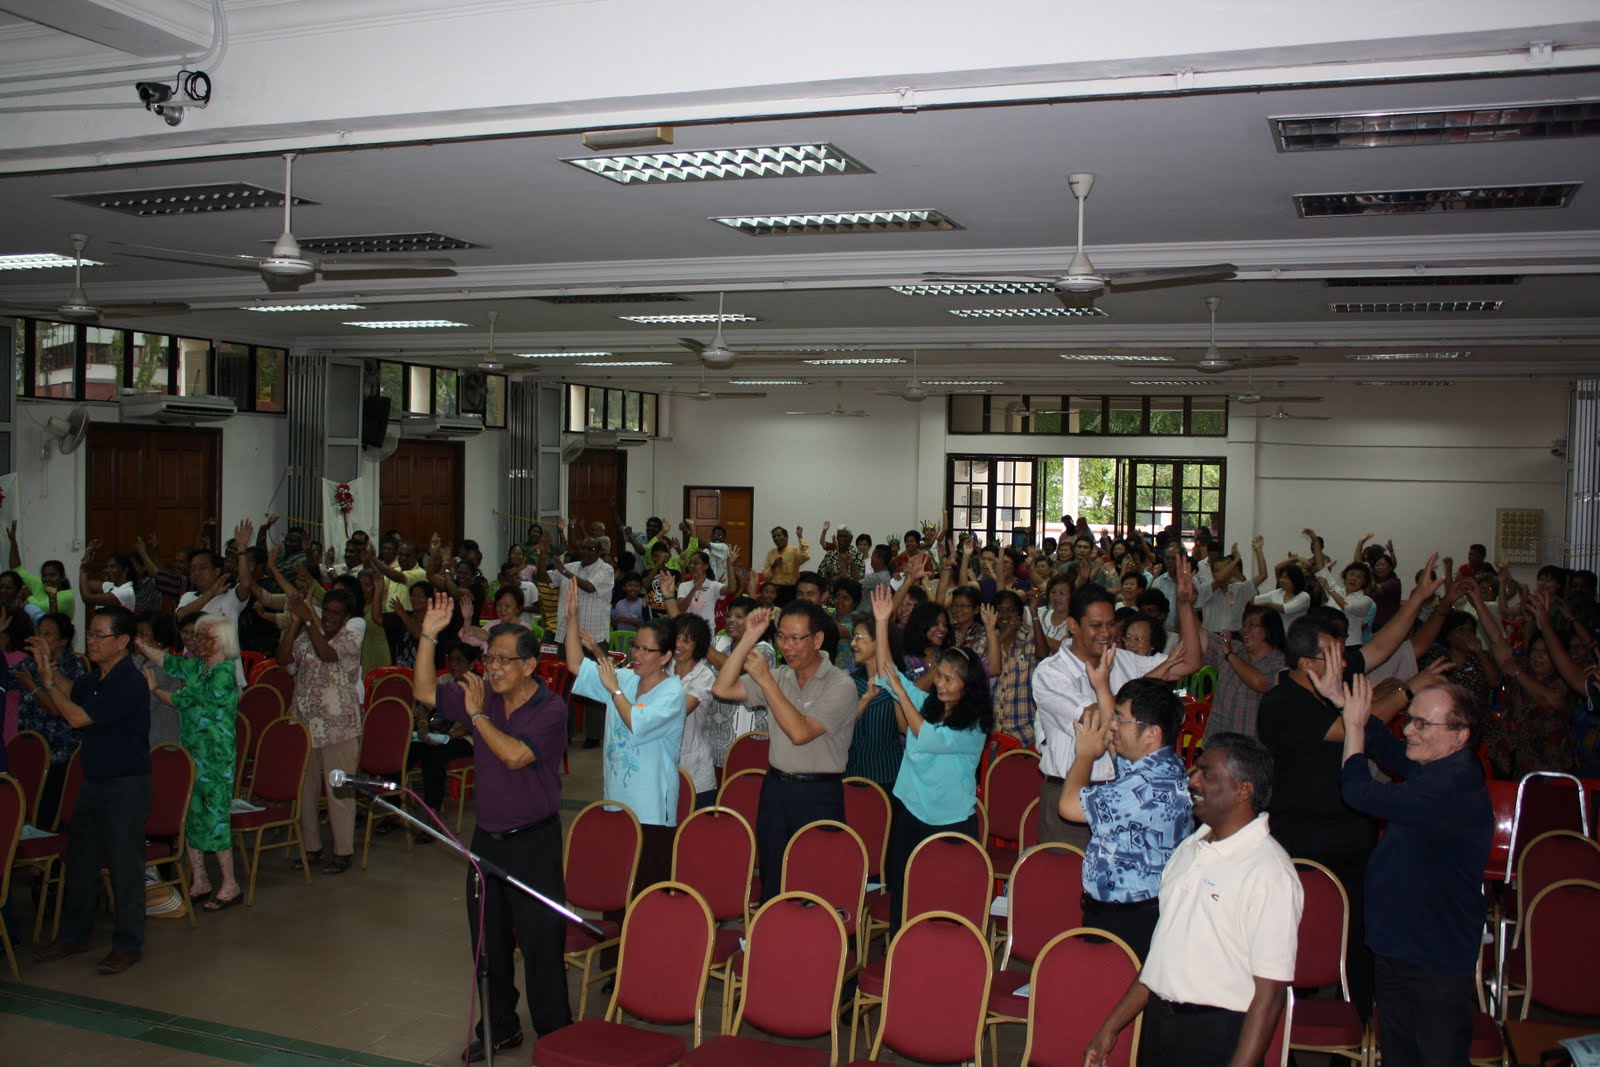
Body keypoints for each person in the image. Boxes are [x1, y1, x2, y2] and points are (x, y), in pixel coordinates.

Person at [414, 594, 572, 1060]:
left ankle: (556, 1032)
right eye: (489, 658)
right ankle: (499, 1026)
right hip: (488, 843)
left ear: (529, 666)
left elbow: (514, 755)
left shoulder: (550, 711)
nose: (492, 668)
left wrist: (477, 714)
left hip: (535, 842)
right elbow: (424, 690)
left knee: (542, 942)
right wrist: (428, 633)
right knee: (489, 943)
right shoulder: (483, 696)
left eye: (503, 660)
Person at [1085, 734, 1302, 1067]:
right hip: (1162, 1024)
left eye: (1207, 773)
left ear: (1244, 790)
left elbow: (1270, 996)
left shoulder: (1269, 872)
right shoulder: (1189, 849)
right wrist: (1111, 1027)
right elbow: (1161, 958)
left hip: (1218, 1033)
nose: (1192, 779)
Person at [1337, 676, 1492, 1067]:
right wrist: (1348, 704)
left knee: (1434, 1055)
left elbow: (1358, 792)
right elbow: (1393, 752)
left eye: (1423, 724)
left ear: (1460, 735)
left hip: (1432, 952)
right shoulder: (1444, 764)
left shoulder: (1450, 786)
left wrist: (1354, 728)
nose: (1408, 729)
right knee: (1400, 1052)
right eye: (1409, 719)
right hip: (1401, 941)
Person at [1031, 554, 1201, 847]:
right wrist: (1151, 680)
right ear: (1073, 625)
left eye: (1111, 625)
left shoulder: (1121, 659)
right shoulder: (1050, 673)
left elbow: (1191, 662)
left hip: (1122, 792)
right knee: (1063, 885)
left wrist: (1185, 607)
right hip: (1070, 796)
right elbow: (1102, 723)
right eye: (1096, 625)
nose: (1106, 633)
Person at [29, 606, 152, 975]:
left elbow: (77, 716)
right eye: (91, 634)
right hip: (95, 784)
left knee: (124, 866)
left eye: (100, 635)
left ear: (123, 642)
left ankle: (128, 945)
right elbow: (69, 694)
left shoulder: (128, 681)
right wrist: (47, 670)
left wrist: (50, 683)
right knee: (79, 862)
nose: (92, 641)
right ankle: (73, 935)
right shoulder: (97, 676)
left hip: (126, 786)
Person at [712, 598, 858, 901]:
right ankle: (771, 942)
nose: (787, 647)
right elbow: (722, 688)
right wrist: (750, 636)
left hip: (819, 795)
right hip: (776, 789)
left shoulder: (840, 684)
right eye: (781, 637)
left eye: (795, 638)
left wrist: (765, 680)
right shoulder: (780, 676)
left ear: (817, 639)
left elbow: (800, 732)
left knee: (815, 883)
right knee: (774, 878)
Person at [871, 584, 989, 934]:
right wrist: (882, 622)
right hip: (912, 814)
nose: (940, 683)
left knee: (946, 902)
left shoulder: (973, 727)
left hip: (951, 821)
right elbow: (887, 669)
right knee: (905, 896)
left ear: (967, 686)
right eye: (939, 675)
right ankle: (899, 959)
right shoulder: (928, 706)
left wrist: (903, 694)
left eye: (949, 679)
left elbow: (926, 735)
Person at [1056, 675, 1191, 961]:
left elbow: (1068, 806)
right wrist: (1102, 685)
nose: (1113, 726)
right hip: (1136, 909)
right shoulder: (1165, 764)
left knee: (1111, 997)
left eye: (1121, 720)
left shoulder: (1146, 789)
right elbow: (1118, 746)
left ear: (1152, 733)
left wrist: (1084, 756)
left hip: (1127, 918)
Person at [563, 593, 684, 889]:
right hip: (616, 803)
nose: (638, 654)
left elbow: (636, 724)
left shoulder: (673, 692)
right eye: (636, 647)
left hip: (651, 810)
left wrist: (615, 691)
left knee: (646, 888)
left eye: (647, 649)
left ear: (666, 657)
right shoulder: (627, 679)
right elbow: (576, 666)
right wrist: (572, 619)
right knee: (615, 885)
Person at [137, 615, 242, 910]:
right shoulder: (197, 666)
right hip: (193, 753)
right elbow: (168, 661)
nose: (196, 642)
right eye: (195, 636)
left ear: (220, 640)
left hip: (216, 757)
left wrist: (156, 690)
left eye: (203, 636)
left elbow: (183, 699)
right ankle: (200, 879)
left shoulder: (222, 672)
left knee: (215, 816)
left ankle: (230, 883)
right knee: (192, 814)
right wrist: (138, 642)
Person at [279, 587, 364, 875]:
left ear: (346, 617)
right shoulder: (306, 635)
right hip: (304, 722)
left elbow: (327, 655)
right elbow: (283, 660)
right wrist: (294, 623)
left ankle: (342, 851)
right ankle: (312, 848)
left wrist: (308, 621)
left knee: (338, 789)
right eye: (326, 610)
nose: (328, 617)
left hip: (338, 725)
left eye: (335, 613)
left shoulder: (350, 638)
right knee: (306, 789)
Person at [12, 611, 85, 828]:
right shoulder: (28, 664)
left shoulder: (73, 666)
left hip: (59, 751)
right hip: (29, 747)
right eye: (39, 632)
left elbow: (57, 709)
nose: (41, 637)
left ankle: (51, 858)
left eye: (48, 633)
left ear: (63, 640)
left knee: (49, 814)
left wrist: (31, 685)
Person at [702, 597, 774, 769]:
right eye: (729, 616)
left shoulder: (763, 650)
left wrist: (702, 644)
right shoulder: (718, 642)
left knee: (740, 789)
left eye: (739, 616)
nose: (731, 620)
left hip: (747, 735)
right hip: (714, 733)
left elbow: (732, 669)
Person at [671, 613, 718, 809]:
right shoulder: (663, 667)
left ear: (698, 645)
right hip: (665, 765)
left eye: (686, 641)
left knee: (695, 834)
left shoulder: (704, 675)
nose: (678, 645)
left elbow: (678, 712)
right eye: (676, 638)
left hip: (696, 771)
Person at [760, 525, 809, 605]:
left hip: (790, 591)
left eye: (779, 535)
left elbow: (805, 556)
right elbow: (765, 576)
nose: (776, 538)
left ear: (786, 537)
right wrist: (773, 566)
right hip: (774, 592)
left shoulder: (794, 551)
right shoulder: (771, 553)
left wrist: (800, 536)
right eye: (774, 536)